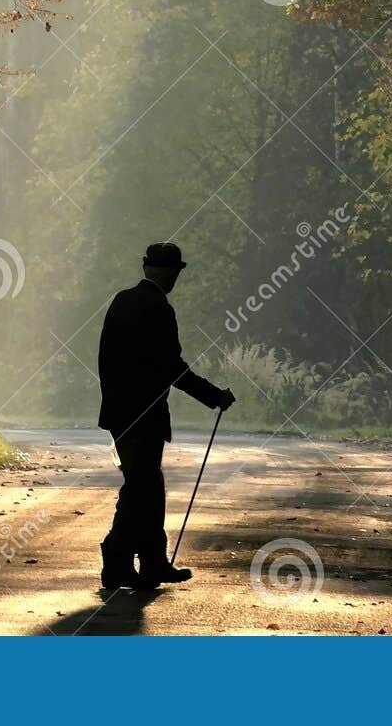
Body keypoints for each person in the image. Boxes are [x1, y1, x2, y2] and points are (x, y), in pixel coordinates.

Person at [96, 241, 234, 589]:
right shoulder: (159, 307)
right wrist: (213, 395)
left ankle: (148, 562)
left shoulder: (121, 301)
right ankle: (120, 560)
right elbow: (172, 367)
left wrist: (113, 400)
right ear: (170, 272)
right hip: (146, 415)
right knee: (143, 488)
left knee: (145, 487)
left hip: (118, 413)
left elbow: (105, 359)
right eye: (175, 272)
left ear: (145, 267)